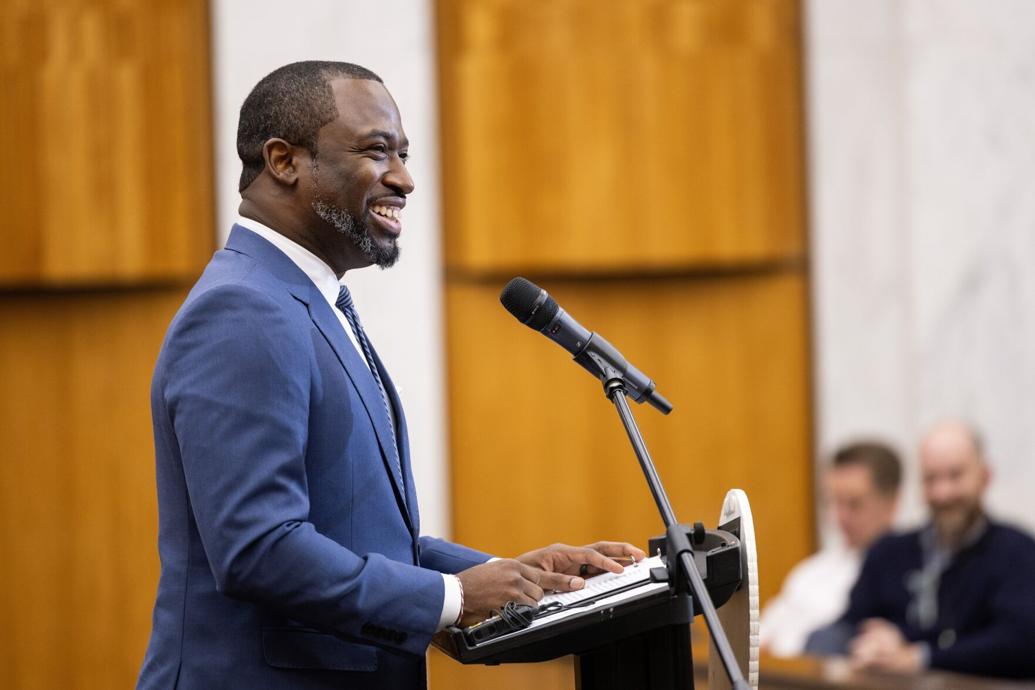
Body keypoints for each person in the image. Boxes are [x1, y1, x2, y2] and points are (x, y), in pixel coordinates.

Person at [136, 61, 645, 690]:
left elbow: (354, 535)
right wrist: (452, 597)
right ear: (284, 160)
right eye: (377, 151)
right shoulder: (242, 310)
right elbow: (260, 549)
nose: (403, 179)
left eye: (403, 154)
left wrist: (511, 576)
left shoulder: (309, 302)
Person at [807, 421, 1035, 679]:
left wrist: (920, 656)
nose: (942, 492)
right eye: (931, 479)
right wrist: (870, 644)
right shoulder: (889, 552)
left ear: (984, 476)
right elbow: (851, 624)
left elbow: (1021, 641)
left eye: (955, 475)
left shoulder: (1017, 552)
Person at [760, 441, 901, 656]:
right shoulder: (812, 571)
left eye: (854, 504)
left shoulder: (902, 577)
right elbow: (761, 634)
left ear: (891, 503)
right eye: (832, 503)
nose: (839, 517)